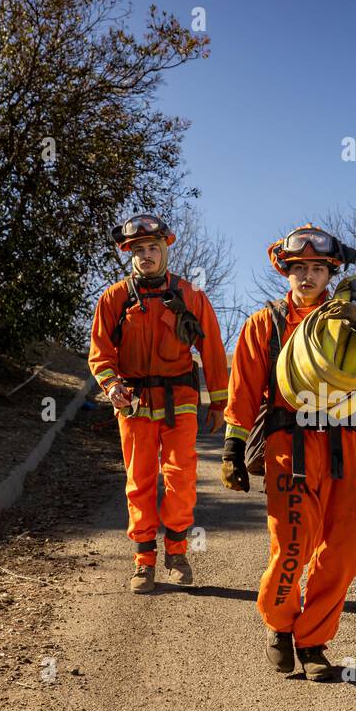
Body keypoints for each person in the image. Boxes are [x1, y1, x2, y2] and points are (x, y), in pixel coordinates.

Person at [220, 225, 356, 680]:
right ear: (286, 272)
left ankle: (314, 643)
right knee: (291, 546)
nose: (307, 276)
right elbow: (243, 389)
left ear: (331, 272)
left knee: (342, 553)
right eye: (299, 268)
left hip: (343, 444)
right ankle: (280, 625)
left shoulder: (352, 316)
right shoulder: (263, 324)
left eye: (317, 269)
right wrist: (231, 448)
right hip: (289, 445)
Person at [89, 214, 229, 593]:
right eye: (139, 250)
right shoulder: (114, 298)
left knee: (180, 477)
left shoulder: (191, 296)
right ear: (129, 254)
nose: (146, 255)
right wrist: (111, 384)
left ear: (165, 250)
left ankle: (178, 553)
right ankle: (143, 561)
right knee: (139, 482)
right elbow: (100, 353)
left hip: (180, 401)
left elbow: (213, 349)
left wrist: (219, 403)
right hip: (133, 404)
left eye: (153, 248)